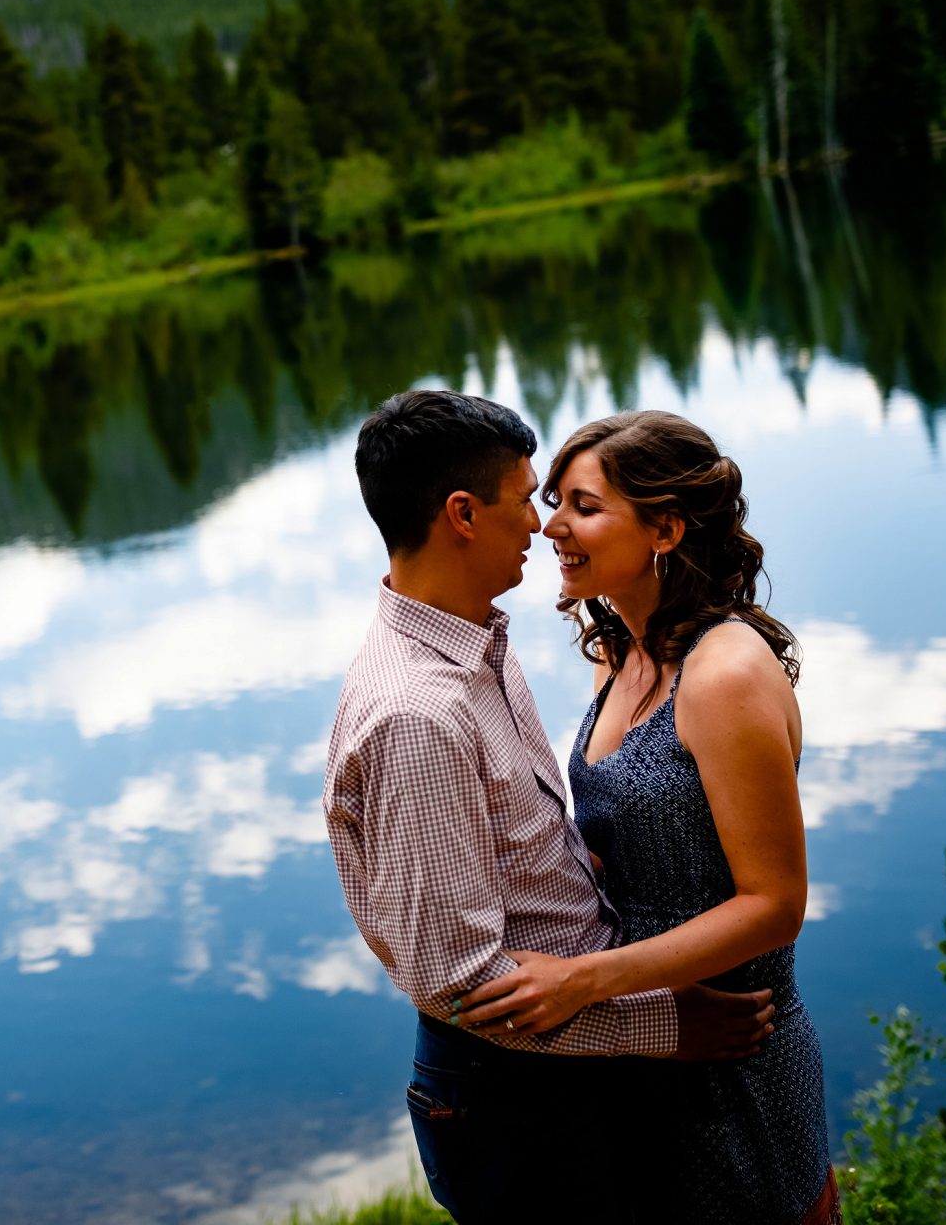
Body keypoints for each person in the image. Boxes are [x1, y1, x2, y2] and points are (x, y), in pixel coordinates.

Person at [324, 389, 776, 1224]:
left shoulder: (477, 647)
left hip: (569, 1070)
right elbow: (467, 987)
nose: (541, 526)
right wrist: (668, 1024)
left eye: (570, 503)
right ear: (463, 514)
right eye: (527, 500)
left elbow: (516, 845)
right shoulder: (420, 714)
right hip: (518, 1098)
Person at [457, 409, 832, 1224]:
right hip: (647, 1037)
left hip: (737, 1050)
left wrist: (582, 981)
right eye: (554, 502)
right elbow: (618, 846)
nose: (549, 526)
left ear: (664, 527)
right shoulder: (616, 653)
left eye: (583, 507)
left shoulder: (724, 674)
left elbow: (775, 906)